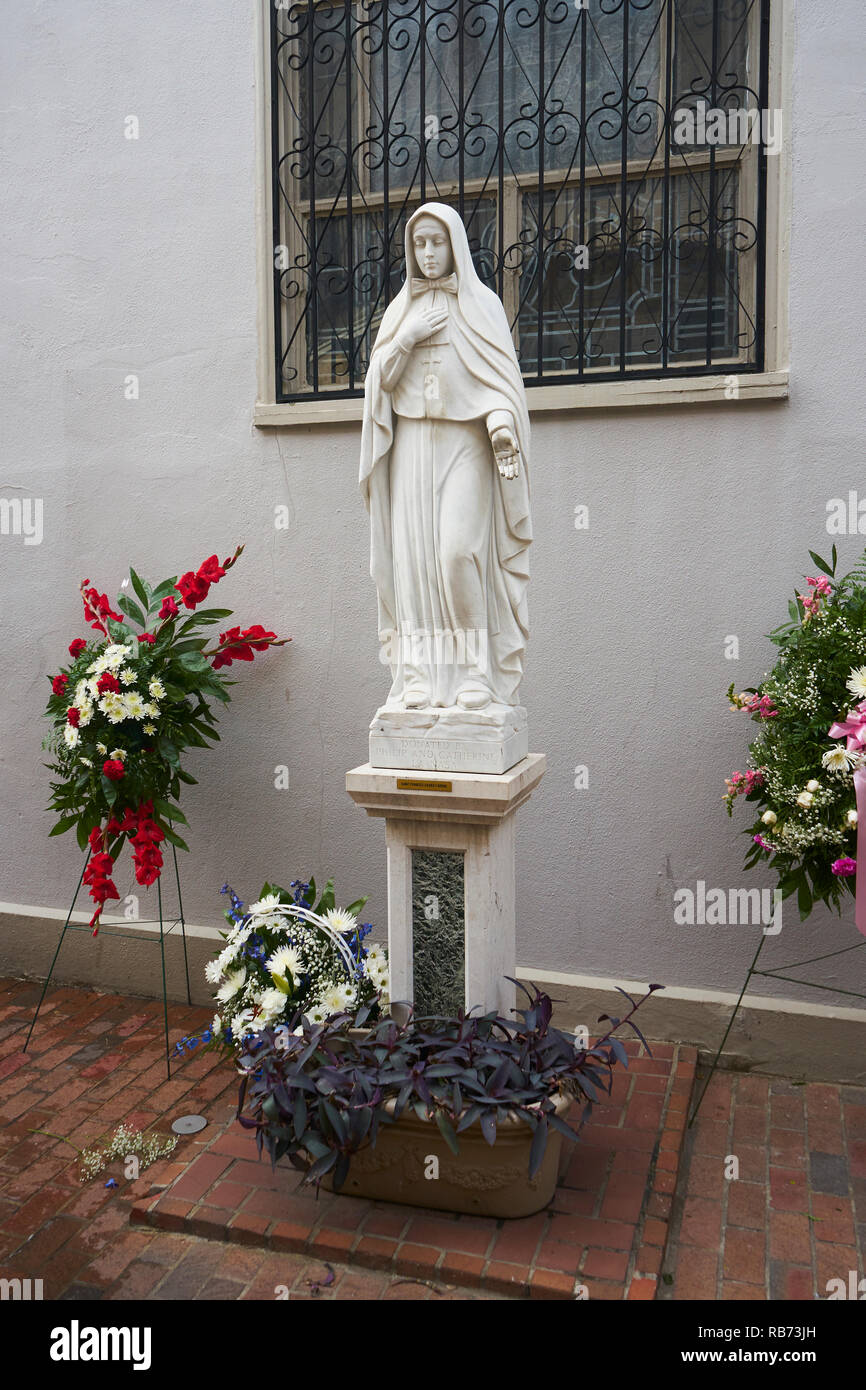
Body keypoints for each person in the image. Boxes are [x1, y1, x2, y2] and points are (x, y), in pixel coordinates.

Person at [360, 202, 532, 714]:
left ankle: (476, 673)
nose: (428, 253)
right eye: (419, 244)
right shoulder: (399, 311)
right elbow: (379, 386)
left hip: (465, 446)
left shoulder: (483, 307)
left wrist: (502, 427)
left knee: (458, 554)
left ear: (454, 244)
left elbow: (502, 384)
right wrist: (408, 339)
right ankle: (418, 678)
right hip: (412, 445)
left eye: (436, 242)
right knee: (413, 565)